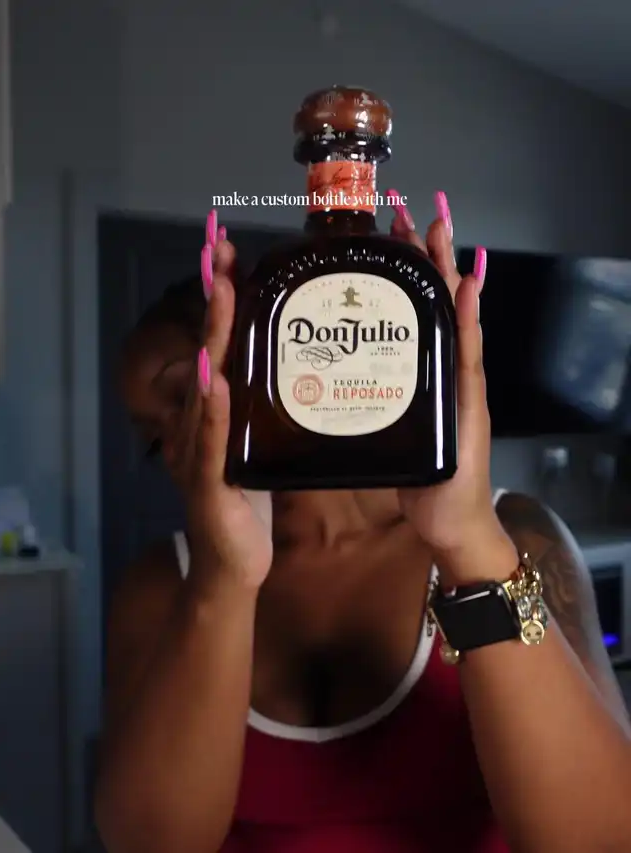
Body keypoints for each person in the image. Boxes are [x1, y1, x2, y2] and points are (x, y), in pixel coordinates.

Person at [96, 196, 631, 853]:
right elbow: (147, 843)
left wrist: (468, 545)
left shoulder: (516, 533)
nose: (178, 445)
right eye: (154, 439)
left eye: (187, 393)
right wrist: (223, 582)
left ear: (279, 354)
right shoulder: (162, 587)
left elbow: (603, 838)